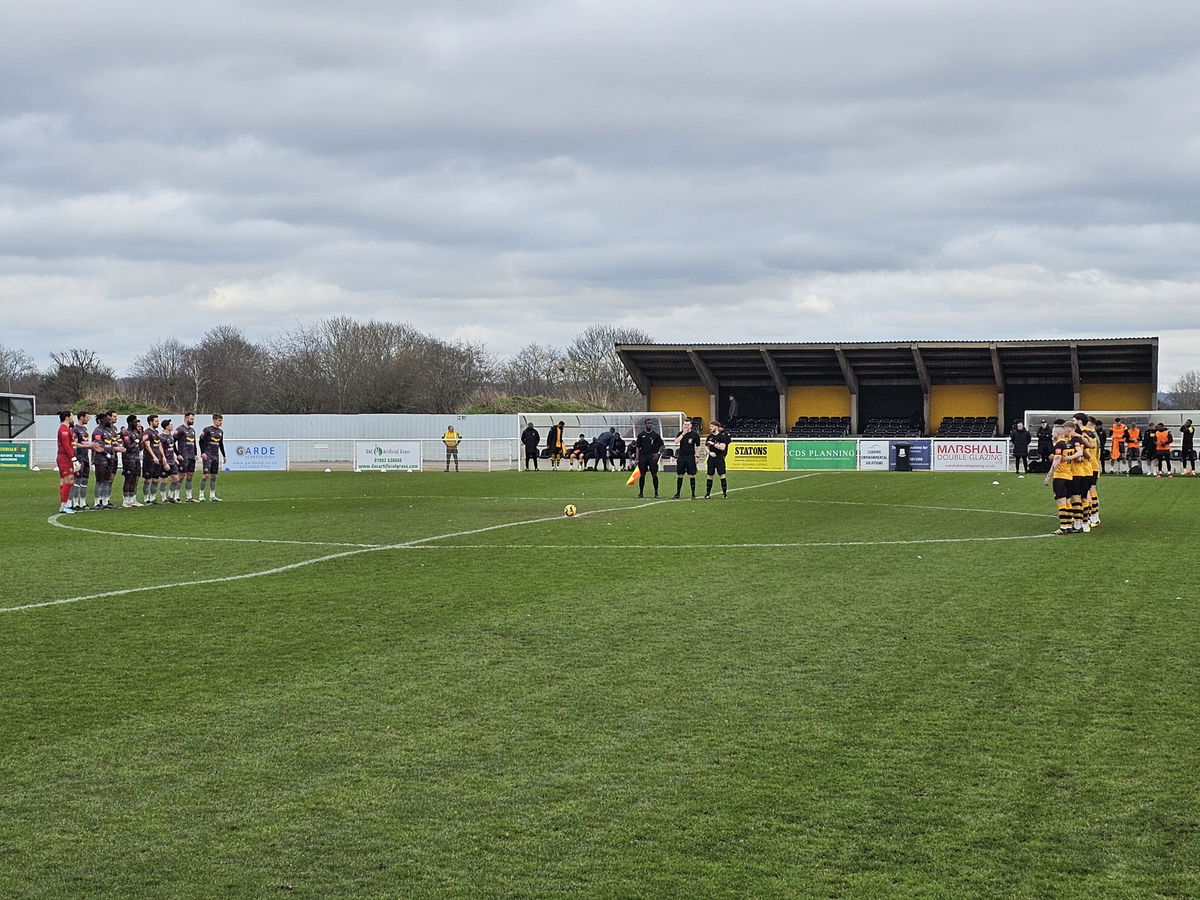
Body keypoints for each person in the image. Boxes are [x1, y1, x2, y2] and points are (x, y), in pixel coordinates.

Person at [1043, 424, 1083, 535]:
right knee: (1067, 502)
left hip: (1060, 476)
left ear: (1058, 433)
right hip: (1069, 476)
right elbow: (1079, 454)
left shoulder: (1059, 445)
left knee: (1061, 502)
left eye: (1053, 432)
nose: (1052, 434)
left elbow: (1056, 462)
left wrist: (1048, 476)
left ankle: (1063, 527)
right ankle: (1069, 526)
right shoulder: (1069, 443)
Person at [90, 410, 121, 509]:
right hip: (100, 459)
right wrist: (107, 454)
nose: (110, 421)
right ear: (103, 420)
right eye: (108, 419)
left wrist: (117, 446)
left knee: (108, 480)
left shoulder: (110, 430)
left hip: (110, 458)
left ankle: (105, 501)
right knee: (100, 480)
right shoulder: (97, 431)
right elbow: (98, 446)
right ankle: (96, 502)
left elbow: (112, 443)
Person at [140, 414, 168, 504]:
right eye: (156, 421)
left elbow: (159, 445)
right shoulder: (147, 432)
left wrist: (163, 456)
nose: (158, 423)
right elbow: (147, 446)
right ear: (151, 422)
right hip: (149, 460)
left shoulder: (156, 432)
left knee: (156, 479)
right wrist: (154, 456)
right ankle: (146, 499)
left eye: (158, 421)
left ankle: (153, 498)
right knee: (148, 479)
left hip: (158, 459)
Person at [55, 411, 79, 514]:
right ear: (67, 418)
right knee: (69, 480)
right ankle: (64, 505)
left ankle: (66, 504)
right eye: (71, 417)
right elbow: (66, 445)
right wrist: (73, 458)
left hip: (65, 457)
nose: (72, 419)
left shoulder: (66, 429)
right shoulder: (64, 430)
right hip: (65, 458)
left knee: (64, 481)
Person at [198, 413, 226, 501]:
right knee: (206, 475)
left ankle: (212, 495)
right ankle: (201, 494)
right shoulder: (207, 430)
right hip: (208, 455)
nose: (221, 422)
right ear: (214, 420)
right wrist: (203, 452)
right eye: (219, 420)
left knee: (214, 476)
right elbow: (200, 441)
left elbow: (221, 444)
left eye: (221, 421)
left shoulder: (220, 432)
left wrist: (224, 455)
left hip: (215, 456)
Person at [634, 418, 664, 498]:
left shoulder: (655, 435)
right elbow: (637, 447)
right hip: (643, 457)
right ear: (645, 424)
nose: (649, 424)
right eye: (648, 423)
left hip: (652, 457)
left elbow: (662, 446)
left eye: (651, 423)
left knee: (654, 475)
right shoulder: (641, 435)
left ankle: (656, 493)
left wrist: (658, 454)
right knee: (642, 475)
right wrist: (637, 458)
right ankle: (641, 493)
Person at [119, 415, 144, 508]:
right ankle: (125, 501)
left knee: (135, 479)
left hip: (136, 458)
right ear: (130, 422)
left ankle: (132, 499)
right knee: (128, 479)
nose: (136, 424)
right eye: (135, 422)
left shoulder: (135, 432)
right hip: (129, 459)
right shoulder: (126, 433)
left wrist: (141, 441)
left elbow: (139, 447)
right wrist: (138, 440)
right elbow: (128, 447)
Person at [672, 418, 701, 499]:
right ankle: (677, 493)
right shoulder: (680, 433)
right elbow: (676, 442)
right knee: (680, 474)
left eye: (688, 425)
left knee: (691, 475)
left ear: (691, 425)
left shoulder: (694, 434)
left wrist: (697, 456)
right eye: (685, 424)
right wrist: (683, 434)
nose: (686, 426)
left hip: (690, 457)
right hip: (681, 456)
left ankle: (693, 494)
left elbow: (698, 446)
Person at [174, 413, 199, 500]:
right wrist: (178, 454)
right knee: (181, 476)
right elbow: (172, 442)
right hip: (184, 456)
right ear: (186, 418)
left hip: (191, 456)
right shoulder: (180, 429)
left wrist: (195, 454)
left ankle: (189, 496)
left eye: (193, 419)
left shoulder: (192, 430)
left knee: (190, 475)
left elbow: (194, 443)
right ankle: (176, 495)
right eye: (191, 419)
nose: (193, 421)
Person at [703, 420, 731, 499]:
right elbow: (706, 446)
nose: (710, 428)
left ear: (716, 427)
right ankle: (707, 494)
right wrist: (709, 452)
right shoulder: (709, 436)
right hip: (711, 458)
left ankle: (724, 494)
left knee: (721, 475)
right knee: (709, 475)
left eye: (712, 426)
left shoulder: (722, 436)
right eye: (710, 426)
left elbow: (722, 447)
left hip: (719, 458)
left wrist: (713, 444)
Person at [70, 411, 92, 510]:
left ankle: (82, 502)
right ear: (81, 417)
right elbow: (74, 444)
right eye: (87, 417)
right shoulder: (75, 429)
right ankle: (74, 502)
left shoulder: (85, 429)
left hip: (86, 457)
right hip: (79, 457)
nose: (88, 419)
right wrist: (75, 459)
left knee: (85, 480)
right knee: (77, 480)